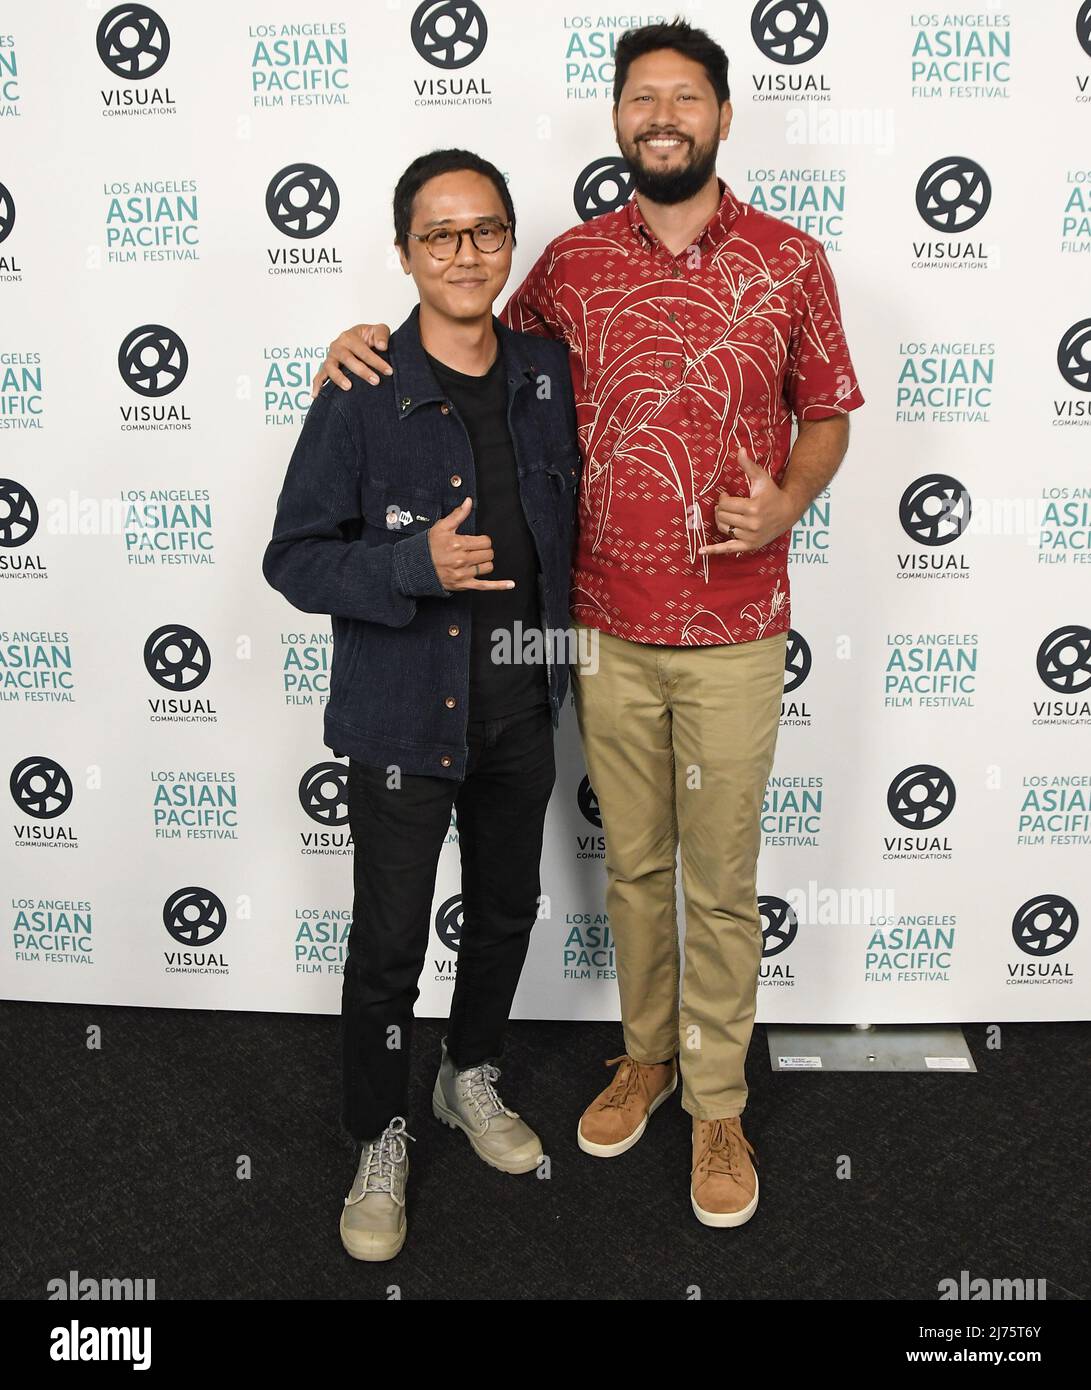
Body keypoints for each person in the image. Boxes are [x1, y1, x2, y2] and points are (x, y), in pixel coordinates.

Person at [311, 19, 865, 1229]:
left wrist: (788, 496)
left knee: (718, 881)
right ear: (616, 118)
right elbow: (461, 336)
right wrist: (349, 343)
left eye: (683, 97)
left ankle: (715, 1104)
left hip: (734, 626)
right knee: (632, 870)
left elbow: (825, 412)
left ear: (723, 114)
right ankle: (646, 1057)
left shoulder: (789, 260)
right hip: (596, 634)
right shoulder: (564, 263)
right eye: (639, 98)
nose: (659, 116)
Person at [262, 148, 581, 1261]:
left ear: (507, 242)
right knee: (387, 948)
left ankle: (467, 1076)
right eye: (437, 234)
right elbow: (292, 560)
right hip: (401, 720)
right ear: (402, 251)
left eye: (484, 231)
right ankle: (379, 1133)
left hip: (521, 714)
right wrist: (410, 566)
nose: (463, 253)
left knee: (502, 913)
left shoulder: (548, 371)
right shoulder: (359, 389)